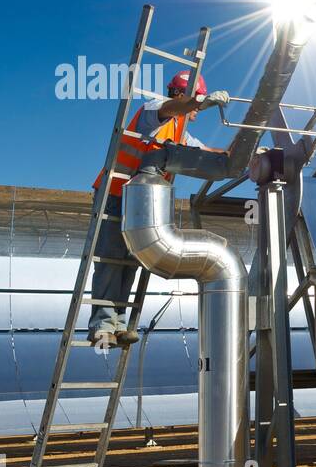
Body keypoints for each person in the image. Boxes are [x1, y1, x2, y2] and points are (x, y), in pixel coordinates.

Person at [87, 70, 227, 346]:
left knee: (132, 260)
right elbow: (170, 108)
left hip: (142, 201)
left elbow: (207, 154)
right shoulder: (154, 111)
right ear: (182, 95)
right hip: (116, 194)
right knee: (111, 258)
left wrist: (244, 152)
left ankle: (118, 324)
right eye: (197, 101)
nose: (199, 111)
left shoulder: (181, 133)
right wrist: (197, 102)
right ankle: (102, 326)